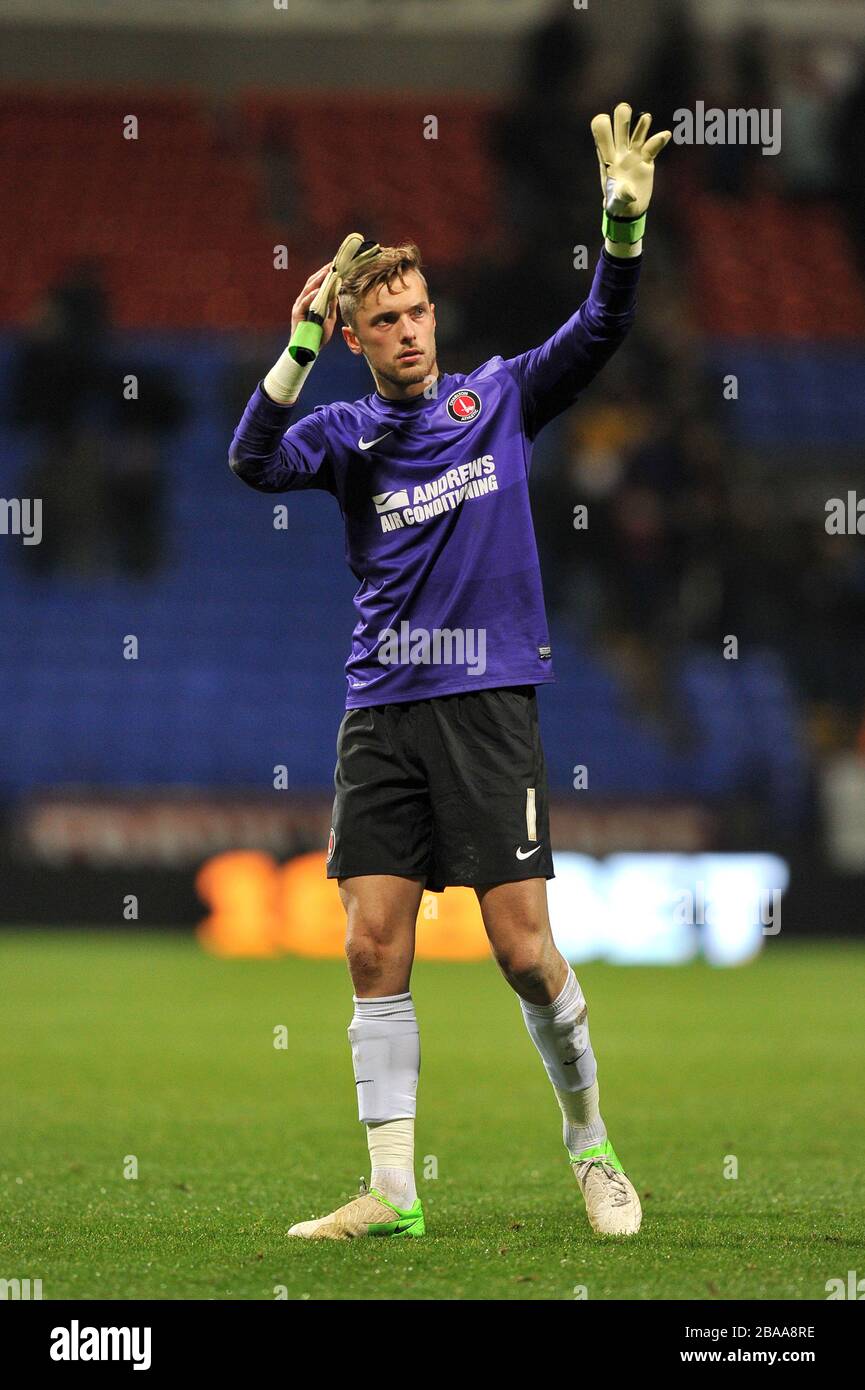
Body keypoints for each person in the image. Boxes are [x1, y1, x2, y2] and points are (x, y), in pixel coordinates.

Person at [229, 104, 670, 1239]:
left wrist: (620, 229)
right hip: (381, 706)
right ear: (360, 340)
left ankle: (593, 1147)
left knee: (523, 953)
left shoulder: (499, 401)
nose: (411, 330)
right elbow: (250, 459)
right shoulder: (340, 434)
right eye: (386, 320)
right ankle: (393, 1189)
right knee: (371, 943)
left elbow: (599, 328)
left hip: (484, 704)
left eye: (419, 310)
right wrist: (294, 349)